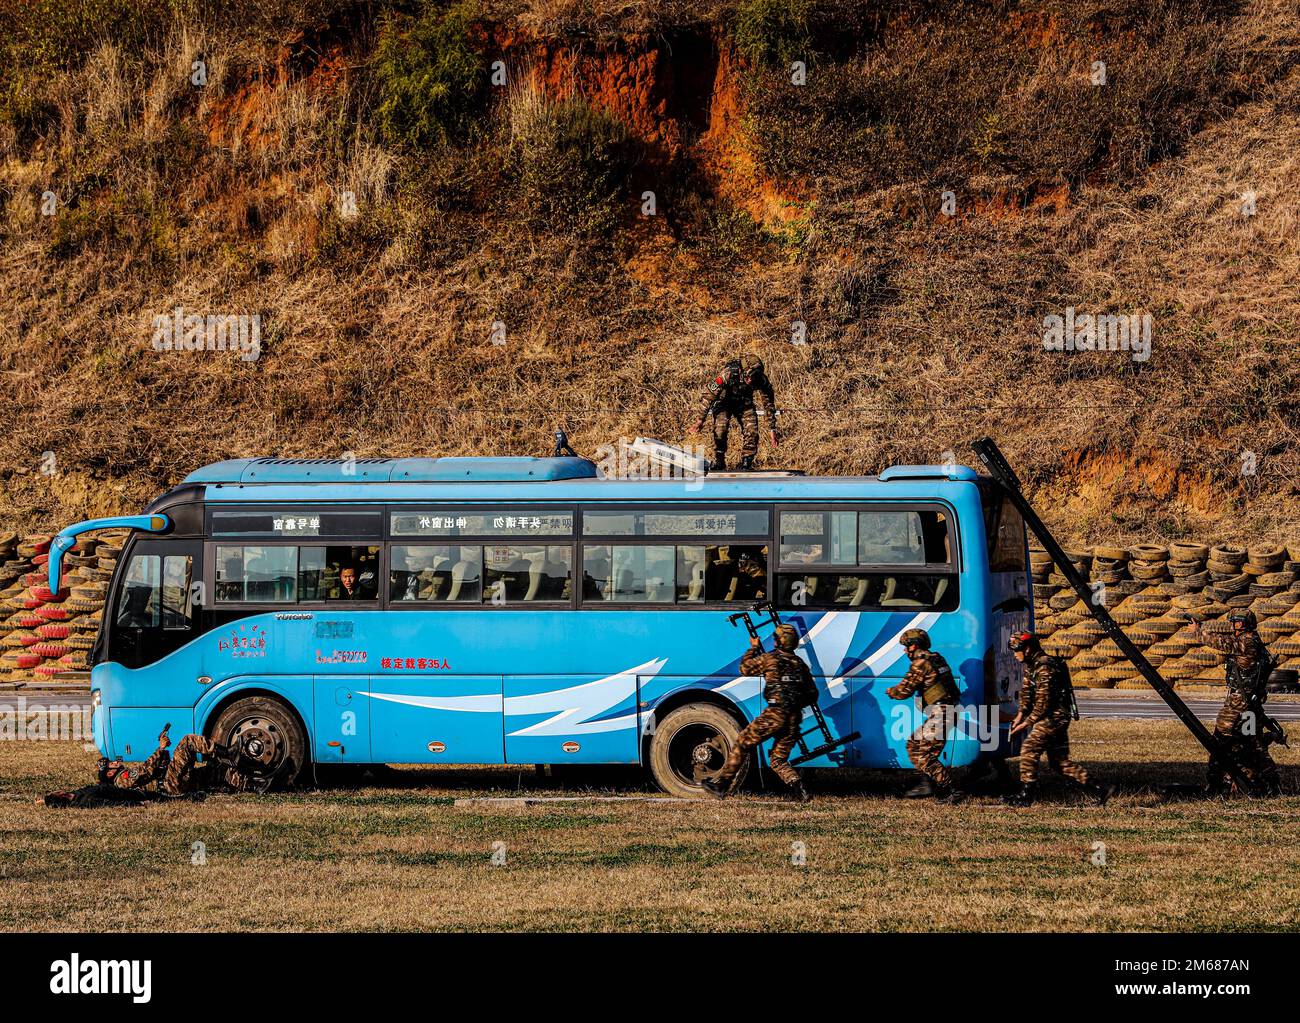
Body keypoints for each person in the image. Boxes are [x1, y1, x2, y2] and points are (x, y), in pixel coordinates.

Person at [703, 624, 817, 801]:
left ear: (779, 641)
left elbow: (745, 669)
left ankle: (722, 784)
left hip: (774, 714)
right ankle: (799, 789)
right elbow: (812, 694)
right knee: (778, 759)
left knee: (742, 742)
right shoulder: (800, 664)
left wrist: (753, 648)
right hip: (794, 717)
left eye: (775, 638)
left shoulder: (770, 659)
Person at [1004, 631, 1108, 806]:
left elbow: (1043, 703)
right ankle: (1101, 788)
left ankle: (1026, 795)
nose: (1015, 655)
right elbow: (1027, 694)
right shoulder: (1033, 665)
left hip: (1054, 717)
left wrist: (1026, 724)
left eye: (1017, 650)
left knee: (1029, 749)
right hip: (1051, 716)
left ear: (1028, 649)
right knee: (1059, 762)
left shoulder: (1045, 667)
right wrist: (1020, 715)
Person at [1191, 610, 1282, 795]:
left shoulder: (1247, 642)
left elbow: (1223, 643)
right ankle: (1266, 782)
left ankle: (1217, 781)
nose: (1233, 626)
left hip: (1239, 703)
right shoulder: (1253, 640)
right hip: (1249, 703)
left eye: (1236, 623)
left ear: (1244, 624)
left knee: (1220, 739)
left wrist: (1198, 630)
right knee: (1252, 742)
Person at [885, 628, 961, 802]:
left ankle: (952, 789)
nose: (905, 651)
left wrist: (892, 691)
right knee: (914, 744)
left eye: (906, 646)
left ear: (914, 646)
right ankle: (925, 783)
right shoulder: (936, 658)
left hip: (942, 714)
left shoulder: (920, 663)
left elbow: (904, 690)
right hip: (944, 712)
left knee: (925, 755)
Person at [690, 354, 778, 471]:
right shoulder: (728, 374)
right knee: (720, 430)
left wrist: (771, 428)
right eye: (748, 376)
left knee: (752, 430)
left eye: (754, 377)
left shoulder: (760, 379)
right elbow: (709, 395)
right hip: (724, 402)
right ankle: (719, 461)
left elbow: (768, 403)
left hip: (744, 403)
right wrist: (700, 420)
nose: (750, 380)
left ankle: (747, 462)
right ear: (742, 370)